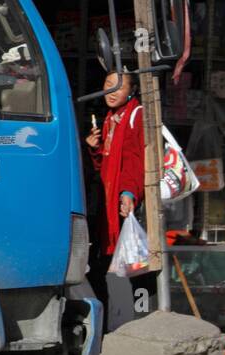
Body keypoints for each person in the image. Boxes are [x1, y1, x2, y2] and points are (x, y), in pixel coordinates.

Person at [85, 70, 146, 296]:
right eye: (108, 84)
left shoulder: (135, 115)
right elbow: (107, 163)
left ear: (132, 91)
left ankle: (139, 315)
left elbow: (135, 159)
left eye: (119, 86)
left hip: (124, 200)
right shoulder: (112, 118)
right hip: (108, 201)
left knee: (134, 266)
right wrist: (95, 149)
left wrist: (129, 192)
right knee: (101, 265)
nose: (111, 90)